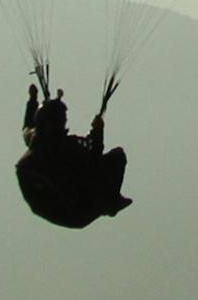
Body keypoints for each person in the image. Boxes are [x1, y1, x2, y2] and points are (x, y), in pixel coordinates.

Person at [14, 66, 131, 229]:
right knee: (117, 157)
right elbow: (94, 158)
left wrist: (33, 100)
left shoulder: (37, 141)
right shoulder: (63, 150)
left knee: (115, 157)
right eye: (62, 121)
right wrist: (98, 131)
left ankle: (110, 200)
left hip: (66, 205)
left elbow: (27, 127)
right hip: (76, 209)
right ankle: (111, 201)